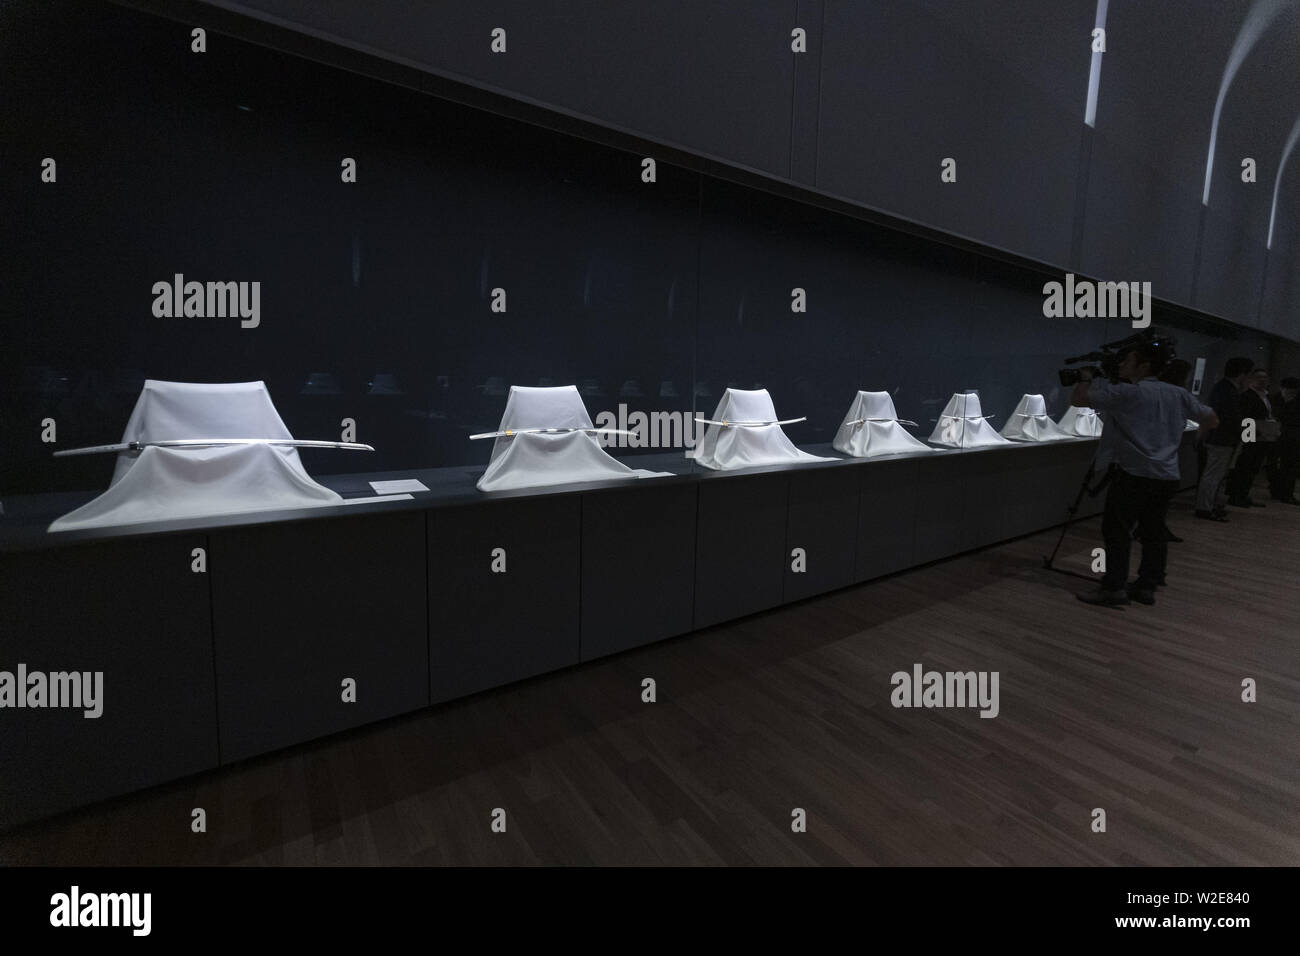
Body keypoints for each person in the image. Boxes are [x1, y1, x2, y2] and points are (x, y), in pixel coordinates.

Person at [1072, 338, 1218, 607]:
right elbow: (1211, 418)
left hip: (1134, 473)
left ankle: (1114, 587)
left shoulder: (1129, 394)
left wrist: (1084, 377)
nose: (1123, 365)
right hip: (1167, 475)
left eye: (1128, 361)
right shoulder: (1179, 394)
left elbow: (1079, 399)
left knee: (1117, 530)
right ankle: (1147, 585)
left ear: (1144, 366)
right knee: (1153, 530)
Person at [1196, 357, 1254, 521]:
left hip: (1221, 438)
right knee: (1214, 475)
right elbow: (1231, 418)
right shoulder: (1228, 390)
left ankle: (1211, 505)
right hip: (1221, 439)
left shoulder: (1224, 388)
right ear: (1242, 374)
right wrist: (1246, 433)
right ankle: (1205, 507)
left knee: (1216, 474)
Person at [1226, 368, 1277, 508]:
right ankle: (1237, 495)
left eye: (1265, 378)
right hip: (1250, 435)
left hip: (1261, 436)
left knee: (1253, 467)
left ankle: (1243, 494)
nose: (1262, 380)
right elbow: (1245, 416)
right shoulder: (1248, 396)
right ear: (1251, 379)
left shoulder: (1266, 397)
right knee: (1245, 466)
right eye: (1259, 377)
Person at [1272, 377, 1300, 505]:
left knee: (1288, 466)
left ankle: (1283, 492)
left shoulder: (1276, 398)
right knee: (1285, 466)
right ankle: (1281, 491)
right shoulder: (1277, 399)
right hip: (1283, 435)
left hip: (1288, 436)